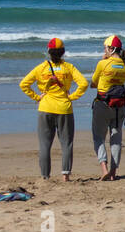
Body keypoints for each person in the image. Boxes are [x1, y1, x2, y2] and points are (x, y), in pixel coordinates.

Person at [19, 37, 88, 181]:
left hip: (45, 108)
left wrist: (37, 97)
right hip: (64, 109)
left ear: (49, 52)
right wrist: (72, 97)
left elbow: (24, 84)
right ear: (63, 52)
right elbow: (83, 84)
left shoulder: (41, 68)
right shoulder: (68, 67)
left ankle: (45, 177)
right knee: (66, 144)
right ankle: (65, 176)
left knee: (45, 144)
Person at [89, 35, 125, 181]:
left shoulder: (102, 64)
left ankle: (104, 168)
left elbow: (93, 83)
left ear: (111, 49)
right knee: (116, 139)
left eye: (105, 47)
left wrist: (104, 61)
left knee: (98, 136)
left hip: (103, 103)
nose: (104, 50)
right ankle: (113, 172)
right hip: (120, 105)